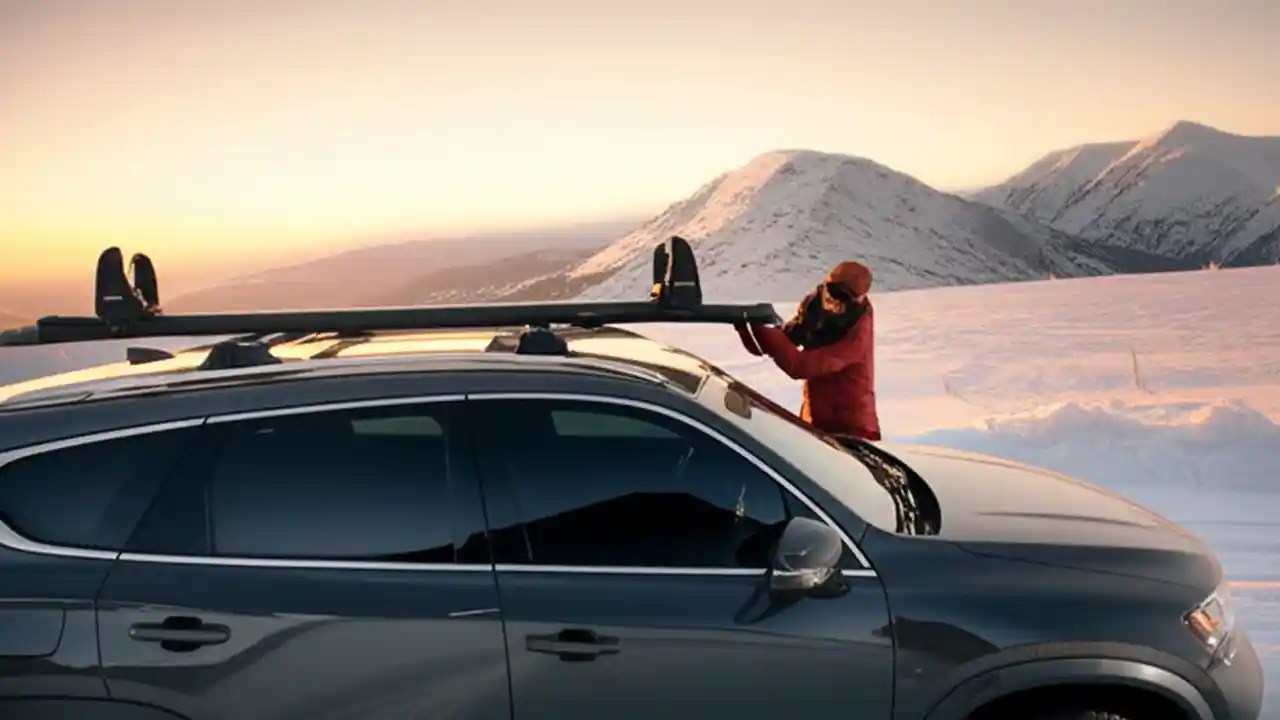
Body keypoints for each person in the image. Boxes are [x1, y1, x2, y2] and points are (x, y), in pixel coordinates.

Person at [734, 261, 881, 441]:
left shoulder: (856, 337)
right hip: (818, 420)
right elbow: (786, 340)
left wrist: (760, 328)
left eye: (843, 301)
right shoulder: (815, 309)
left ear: (857, 302)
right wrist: (747, 326)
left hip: (853, 432)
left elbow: (800, 366)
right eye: (831, 296)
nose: (834, 305)